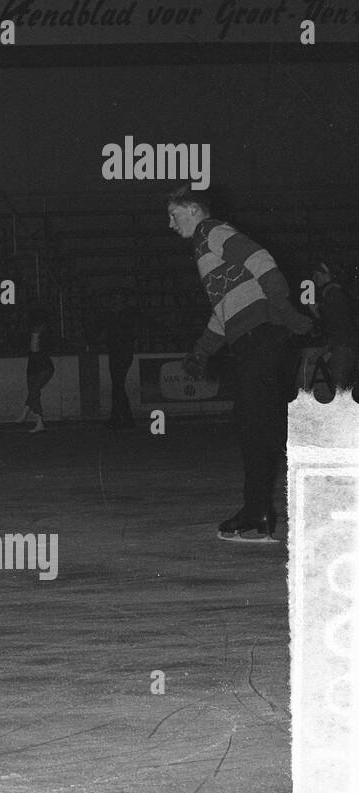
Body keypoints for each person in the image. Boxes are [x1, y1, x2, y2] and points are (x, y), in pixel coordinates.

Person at [167, 187, 312, 542]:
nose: (169, 224)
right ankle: (258, 510)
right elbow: (225, 313)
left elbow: (262, 260)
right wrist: (200, 353)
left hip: (259, 337)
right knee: (254, 423)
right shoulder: (206, 250)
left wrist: (286, 312)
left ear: (192, 209)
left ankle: (258, 511)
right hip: (254, 338)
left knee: (256, 424)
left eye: (173, 215)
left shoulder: (211, 231)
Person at [309, 260, 357, 394]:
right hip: (343, 347)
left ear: (327, 275)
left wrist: (316, 314)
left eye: (316, 275)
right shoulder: (334, 293)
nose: (314, 279)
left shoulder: (333, 295)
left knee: (338, 393)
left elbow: (335, 327)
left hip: (342, 348)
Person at [99, 289, 140, 428]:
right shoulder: (115, 312)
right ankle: (121, 417)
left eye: (118, 297)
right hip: (116, 351)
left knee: (118, 384)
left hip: (123, 351)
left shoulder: (127, 313)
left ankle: (121, 417)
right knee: (117, 384)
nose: (115, 299)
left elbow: (125, 330)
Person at [19, 308, 56, 434]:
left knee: (34, 391)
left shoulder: (46, 335)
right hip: (33, 366)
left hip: (44, 366)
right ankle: (25, 414)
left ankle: (38, 421)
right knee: (33, 392)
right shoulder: (27, 333)